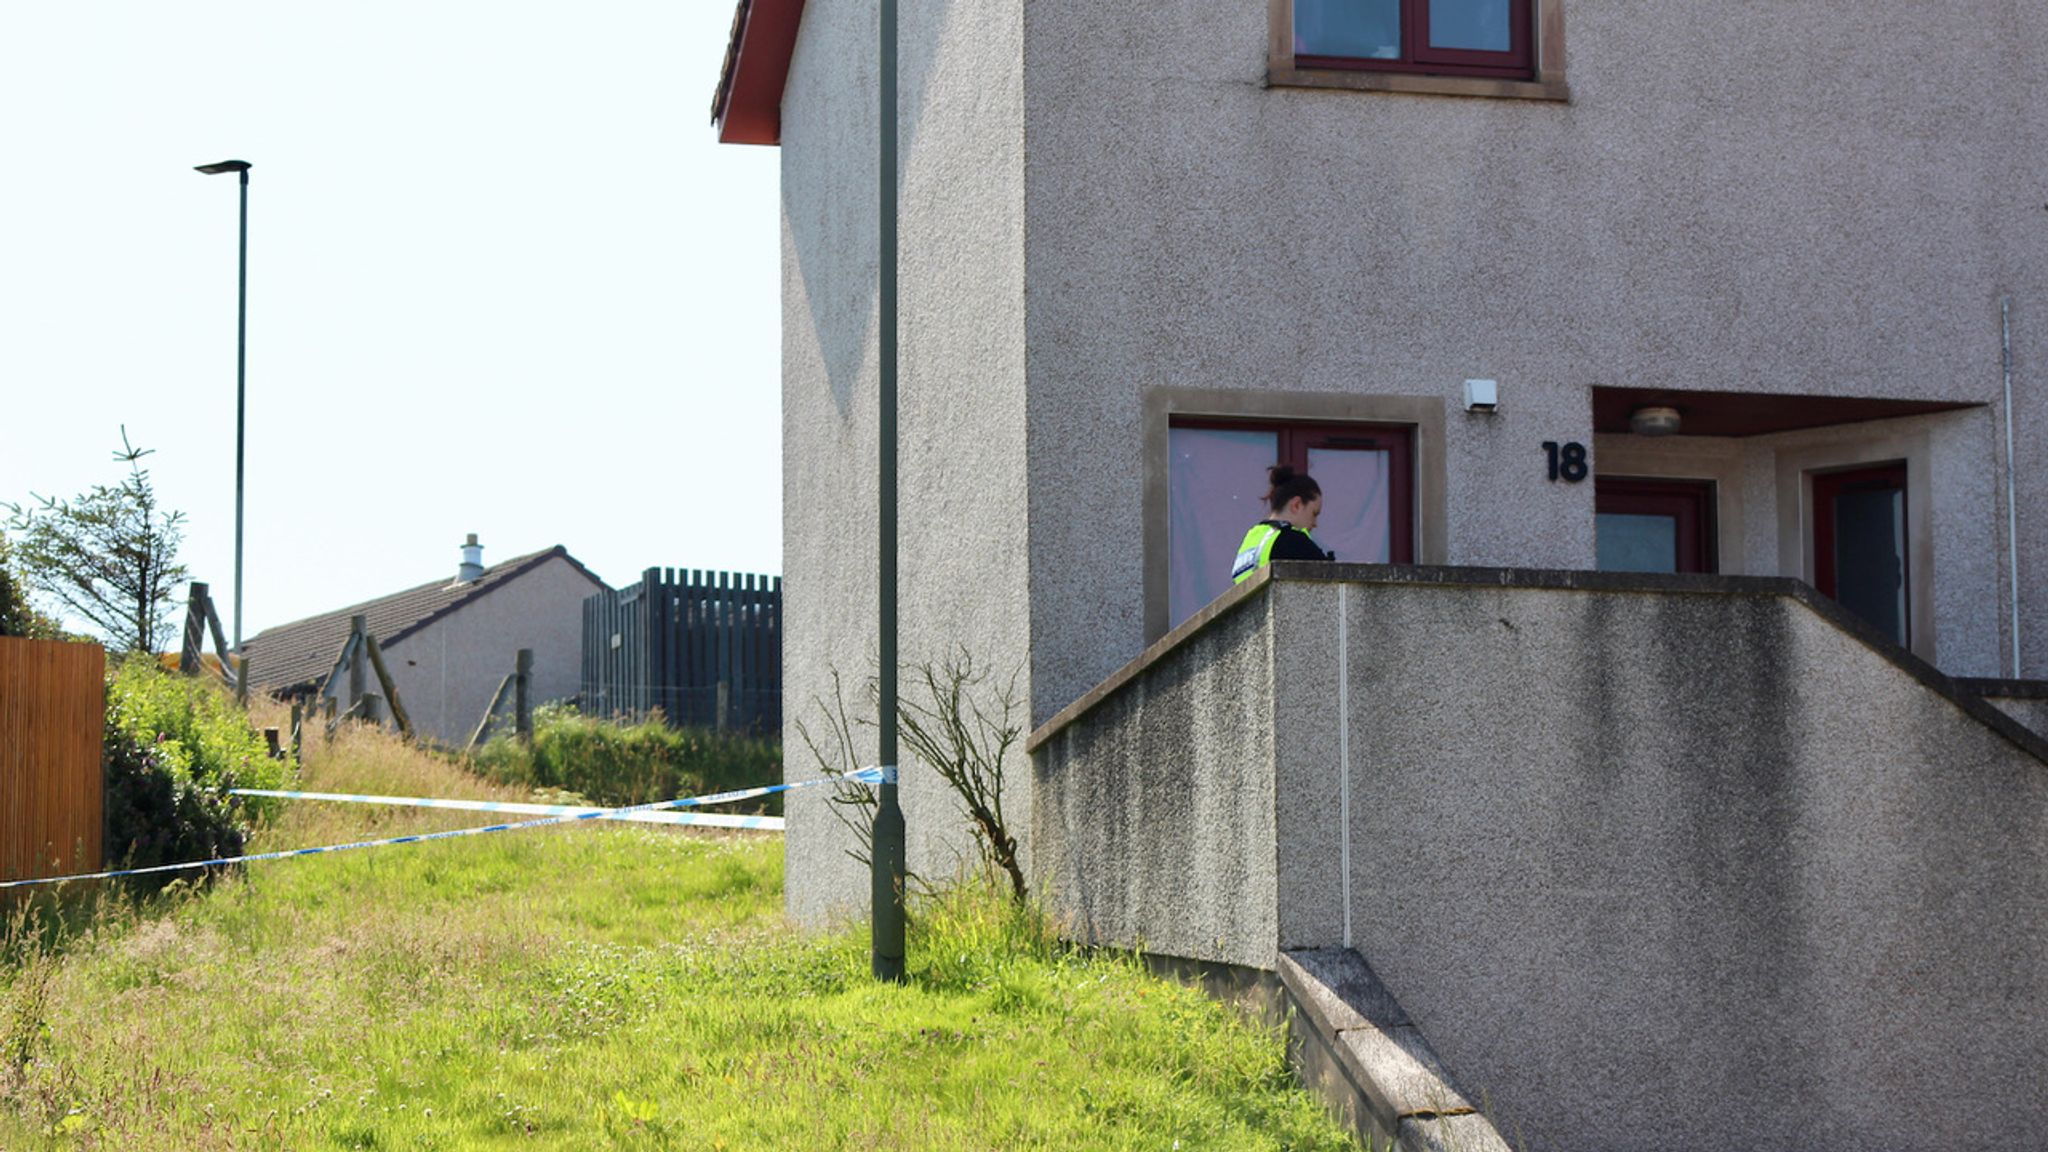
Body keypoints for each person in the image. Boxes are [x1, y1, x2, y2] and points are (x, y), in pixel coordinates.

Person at [1231, 464, 1334, 584]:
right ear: (1296, 505)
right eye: (1314, 513)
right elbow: (1332, 582)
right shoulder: (1292, 541)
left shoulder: (1252, 538)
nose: (1315, 523)